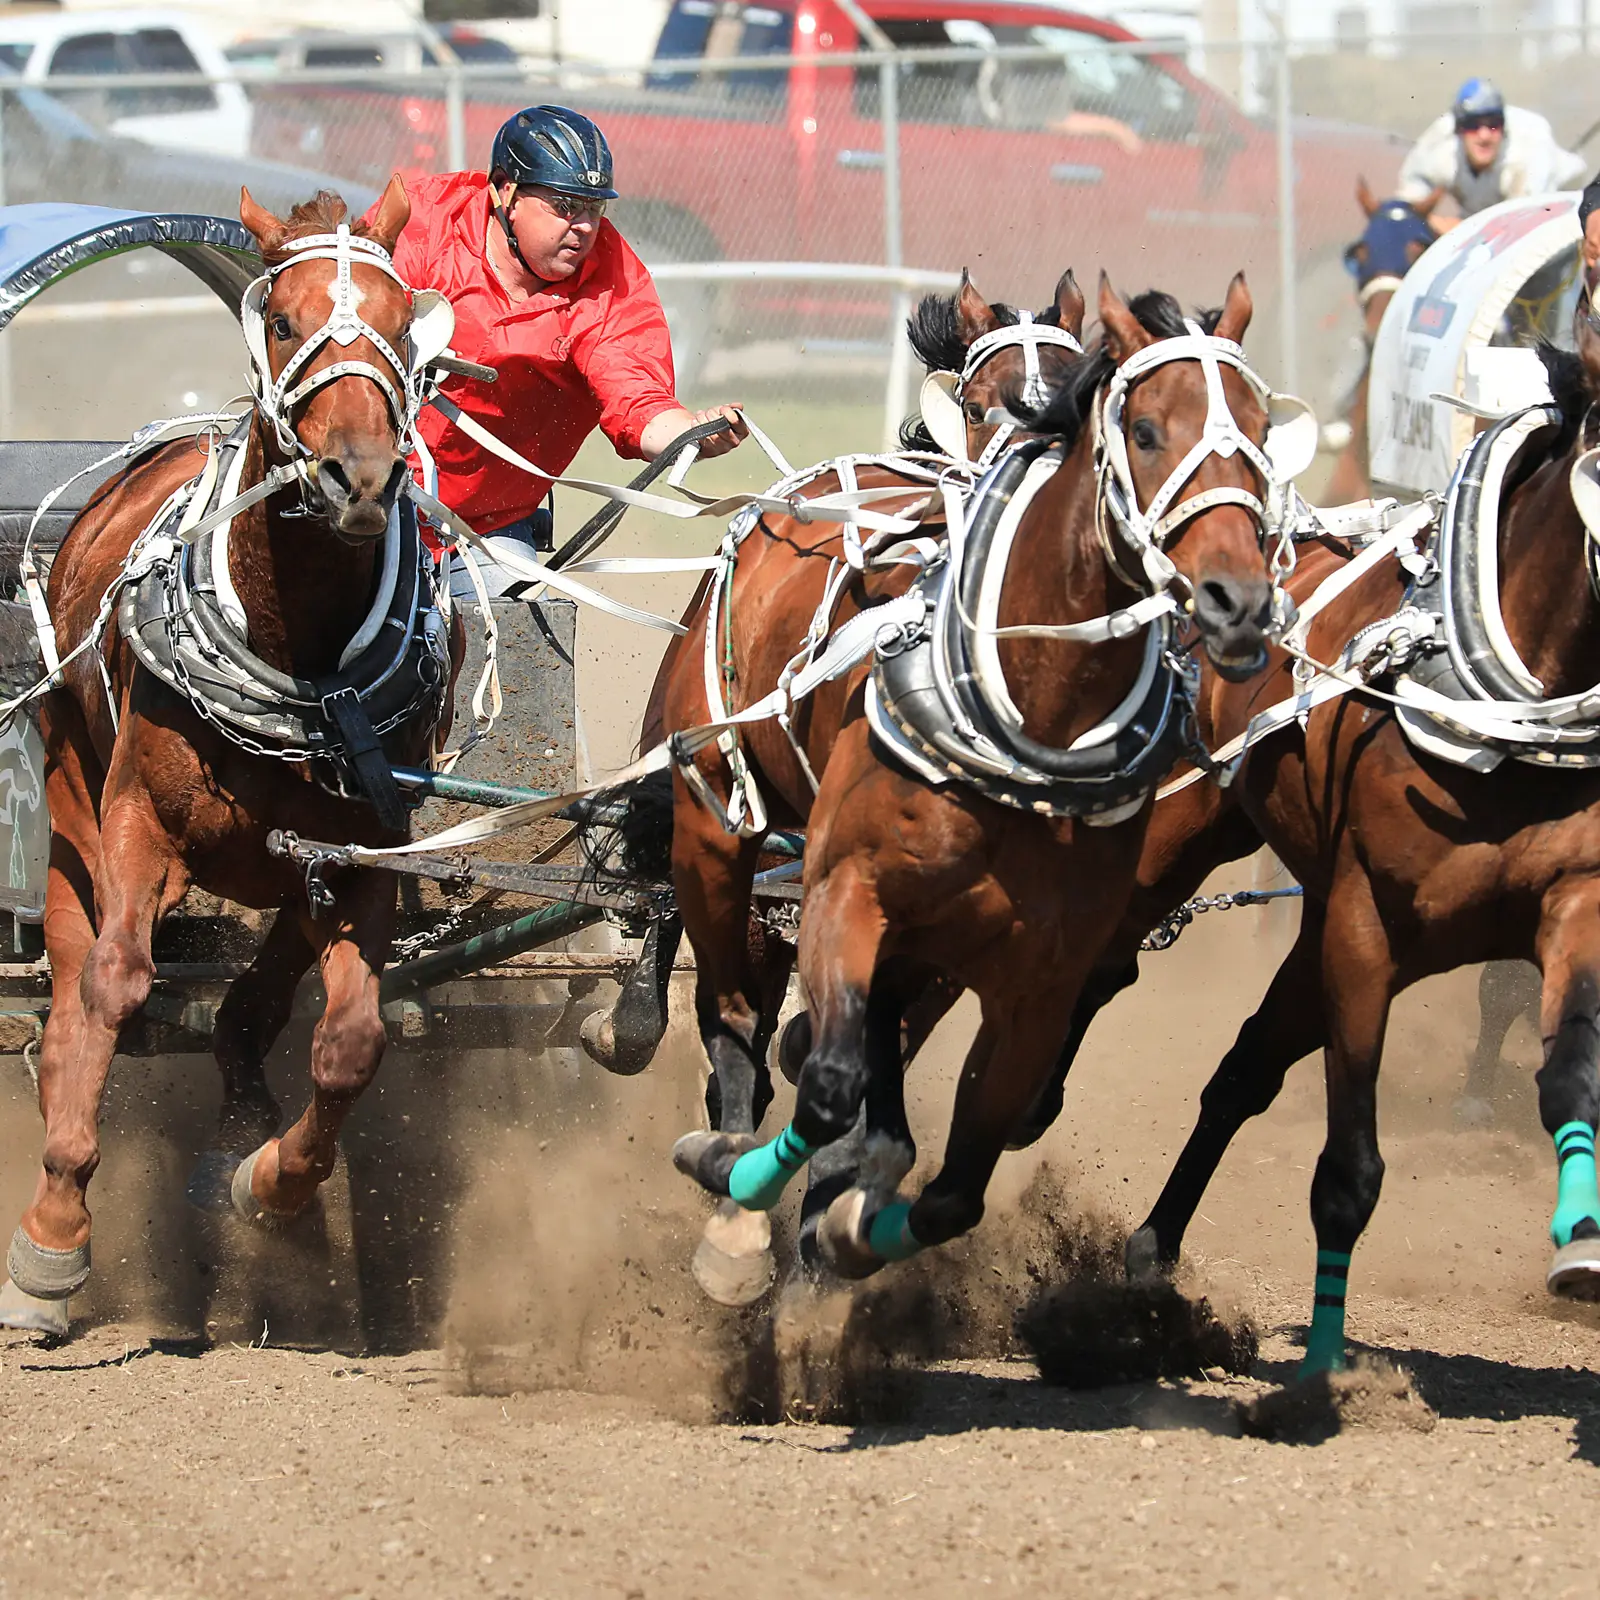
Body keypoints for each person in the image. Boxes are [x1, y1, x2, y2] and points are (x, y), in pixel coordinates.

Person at [369, 104, 748, 588]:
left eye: (594, 208)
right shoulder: (425, 222)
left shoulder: (613, 281)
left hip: (481, 531)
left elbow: (638, 399)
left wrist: (690, 436)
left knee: (521, 629)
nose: (584, 226)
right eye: (565, 206)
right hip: (360, 496)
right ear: (505, 191)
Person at [1397, 78, 1586, 233]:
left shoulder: (1528, 147)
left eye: (1494, 124)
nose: (1484, 136)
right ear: (1458, 129)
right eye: (1472, 125)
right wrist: (1431, 221)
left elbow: (1522, 227)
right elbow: (1406, 204)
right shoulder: (1440, 143)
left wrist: (1457, 230)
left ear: (1504, 127)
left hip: (1561, 207)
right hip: (1488, 215)